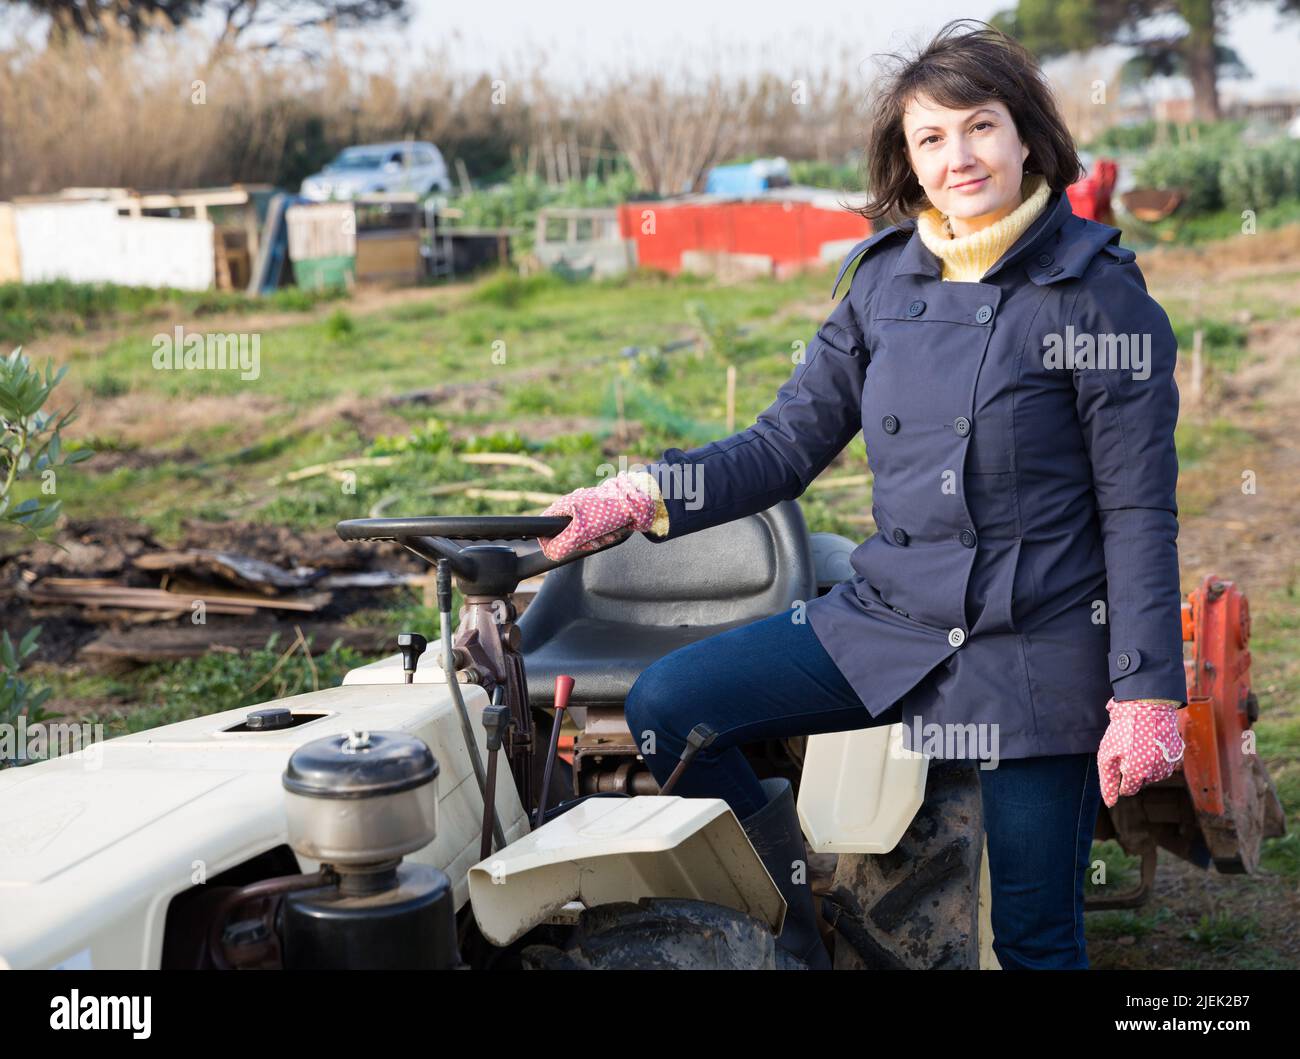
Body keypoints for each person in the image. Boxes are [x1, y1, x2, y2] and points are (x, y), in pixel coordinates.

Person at [534, 20, 1187, 971]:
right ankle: (793, 907)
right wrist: (643, 494)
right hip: (890, 621)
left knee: (1039, 940)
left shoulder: (1099, 295)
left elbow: (1137, 513)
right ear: (908, 160)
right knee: (672, 702)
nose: (959, 157)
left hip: (1035, 648)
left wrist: (1147, 689)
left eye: (980, 126)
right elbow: (784, 444)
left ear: (1027, 137)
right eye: (931, 138)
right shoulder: (883, 283)